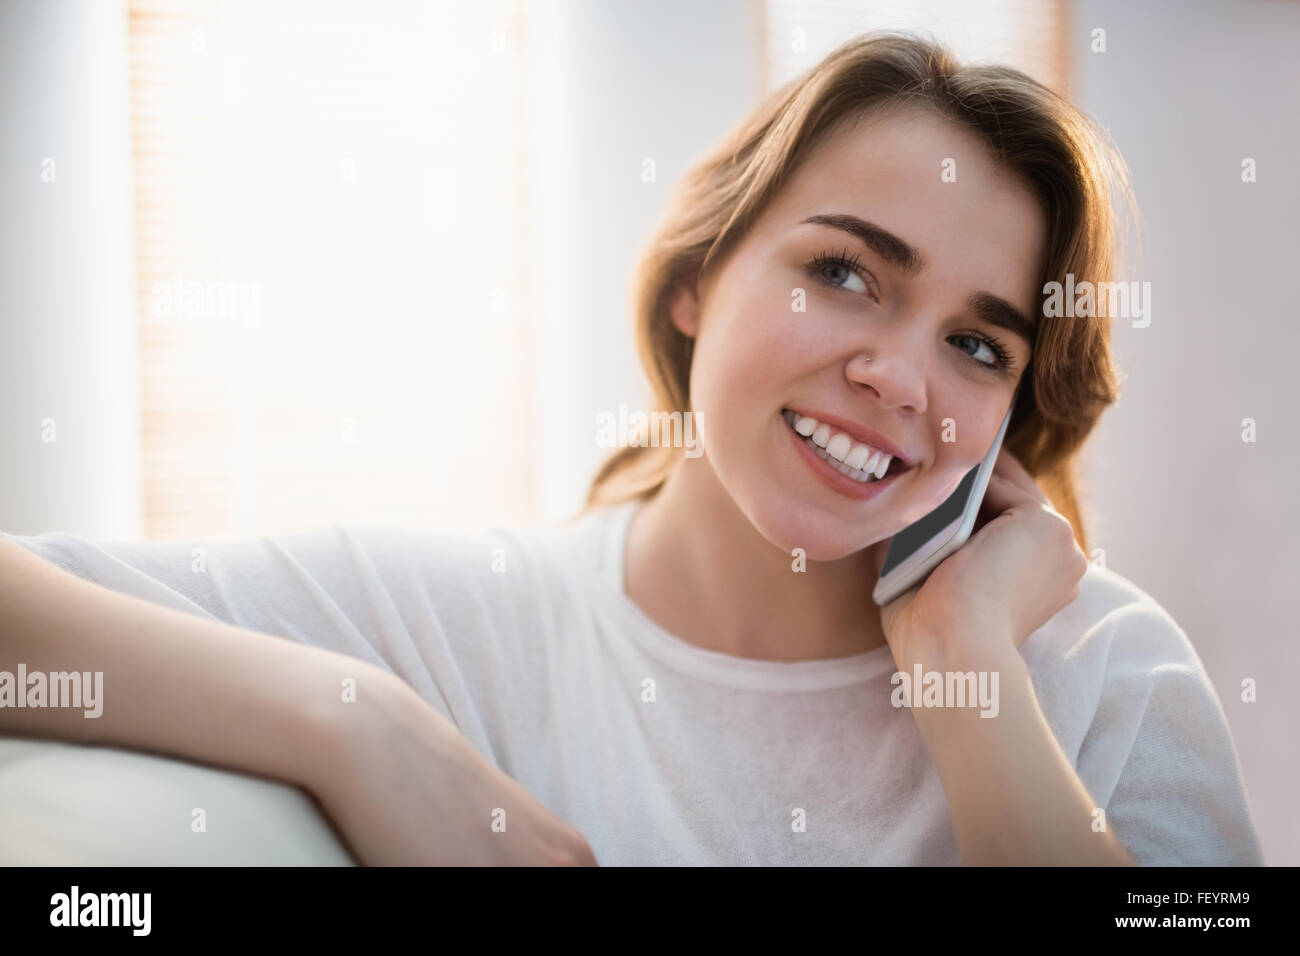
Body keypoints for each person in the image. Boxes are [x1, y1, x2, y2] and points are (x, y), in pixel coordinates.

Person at [0, 32, 1264, 866]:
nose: (898, 377)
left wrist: (963, 666)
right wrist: (352, 719)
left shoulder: (1107, 672)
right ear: (696, 281)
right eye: (844, 272)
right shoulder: (456, 626)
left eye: (977, 345)